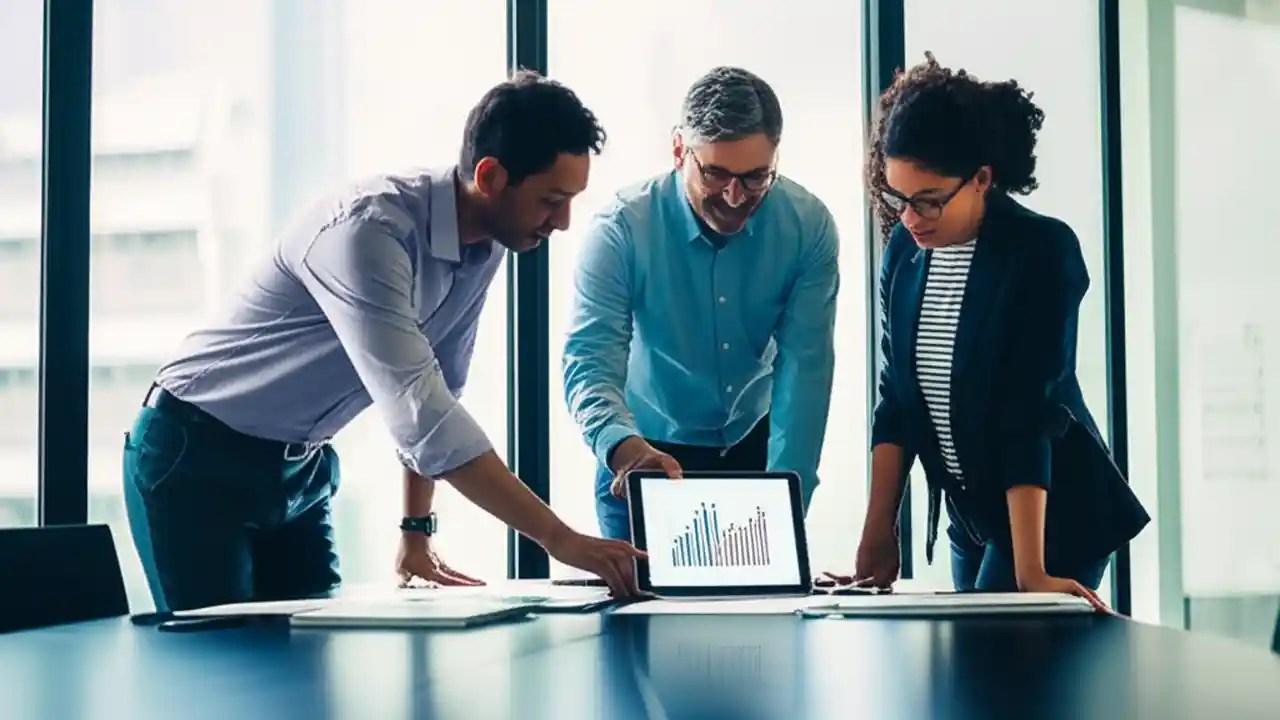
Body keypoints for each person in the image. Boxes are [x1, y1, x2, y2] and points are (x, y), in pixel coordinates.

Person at [122, 70, 646, 613]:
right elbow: (424, 415)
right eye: (551, 200)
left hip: (300, 470)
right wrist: (560, 540)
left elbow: (439, 391)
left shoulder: (484, 245)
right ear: (490, 176)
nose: (562, 222)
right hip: (197, 455)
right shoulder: (369, 232)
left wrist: (416, 530)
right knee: (213, 657)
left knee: (302, 659)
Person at [827, 53, 1149, 609]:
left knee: (998, 655)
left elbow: (1030, 411)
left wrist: (1032, 571)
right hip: (973, 518)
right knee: (976, 659)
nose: (910, 217)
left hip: (1051, 518)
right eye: (898, 198)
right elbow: (896, 401)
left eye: (929, 201)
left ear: (981, 179)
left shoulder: (1041, 251)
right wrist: (878, 535)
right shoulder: (904, 252)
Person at [562, 66, 839, 542]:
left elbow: (805, 372)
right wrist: (620, 445)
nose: (734, 196)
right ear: (679, 150)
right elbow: (589, 361)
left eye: (755, 177)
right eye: (716, 173)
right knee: (640, 594)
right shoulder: (621, 230)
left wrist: (789, 501)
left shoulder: (807, 226)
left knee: (763, 592)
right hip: (641, 453)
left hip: (756, 449)